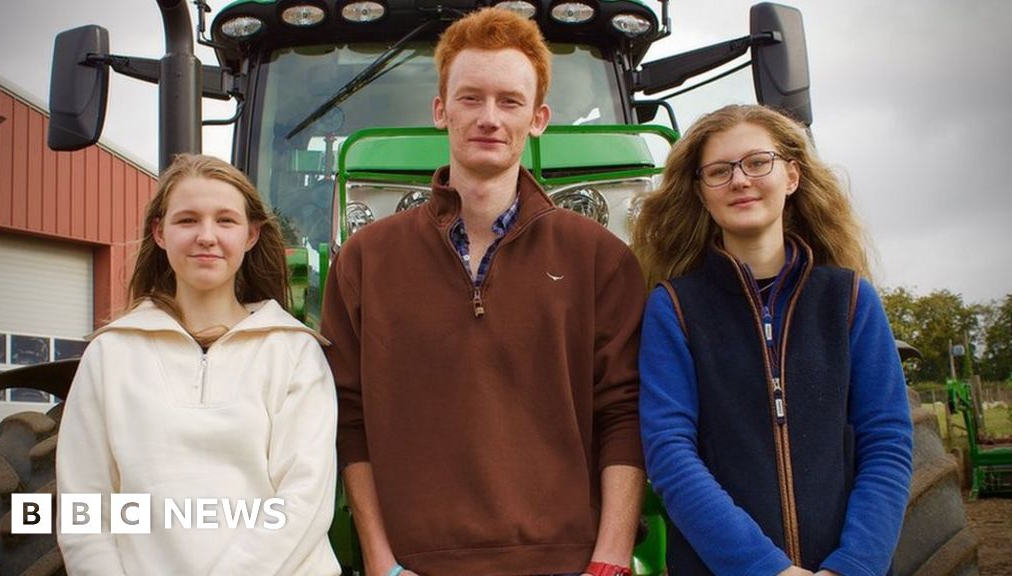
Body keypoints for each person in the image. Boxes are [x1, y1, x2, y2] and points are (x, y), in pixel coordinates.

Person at [320, 7, 646, 576]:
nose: (489, 118)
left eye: (509, 101)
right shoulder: (365, 260)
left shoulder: (600, 258)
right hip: (413, 566)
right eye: (470, 98)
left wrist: (612, 559)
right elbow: (350, 418)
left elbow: (623, 412)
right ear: (441, 110)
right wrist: (380, 562)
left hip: (565, 564)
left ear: (538, 118)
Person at [633, 104, 914, 576]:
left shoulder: (849, 301)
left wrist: (854, 565)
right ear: (702, 194)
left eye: (758, 162)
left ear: (792, 176)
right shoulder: (674, 309)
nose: (740, 180)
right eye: (719, 171)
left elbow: (886, 441)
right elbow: (670, 453)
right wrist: (766, 569)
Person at [56, 154, 340, 576]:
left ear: (250, 235)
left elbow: (304, 499)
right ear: (160, 232)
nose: (206, 236)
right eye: (187, 220)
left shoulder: (294, 352)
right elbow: (85, 508)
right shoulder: (111, 354)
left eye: (225, 221)